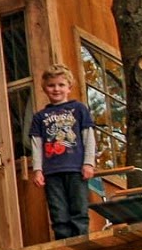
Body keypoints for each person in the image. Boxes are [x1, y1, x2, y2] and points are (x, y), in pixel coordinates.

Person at [28, 63, 96, 240]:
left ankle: (82, 242)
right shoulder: (39, 117)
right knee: (58, 211)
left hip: (75, 168)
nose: (56, 89)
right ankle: (63, 243)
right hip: (52, 171)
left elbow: (88, 137)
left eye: (61, 85)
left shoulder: (79, 109)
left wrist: (88, 163)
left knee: (79, 208)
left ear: (69, 87)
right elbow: (37, 144)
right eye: (51, 85)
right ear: (44, 88)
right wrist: (37, 169)